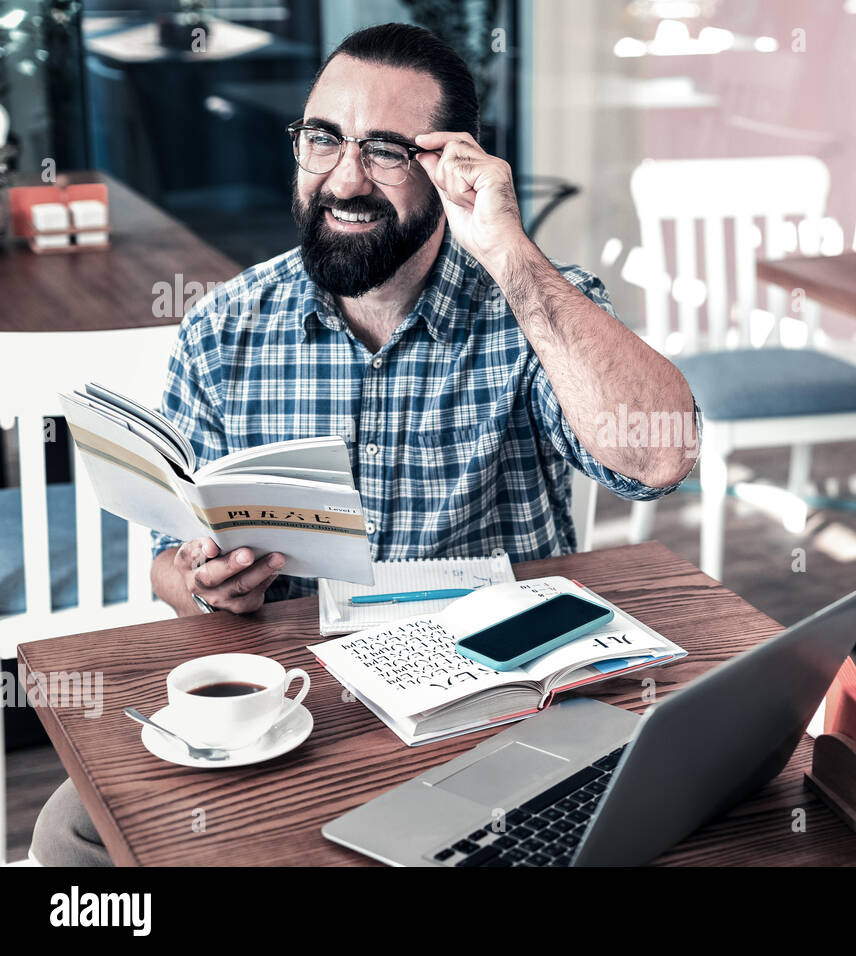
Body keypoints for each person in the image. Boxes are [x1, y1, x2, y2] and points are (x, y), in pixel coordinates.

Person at [31, 22, 698, 866]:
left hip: (492, 701)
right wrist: (204, 585)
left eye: (385, 150)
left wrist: (510, 254)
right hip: (295, 709)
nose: (344, 179)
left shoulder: (530, 306)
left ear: (451, 166)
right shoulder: (226, 327)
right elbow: (170, 564)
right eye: (323, 140)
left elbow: (660, 459)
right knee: (74, 833)